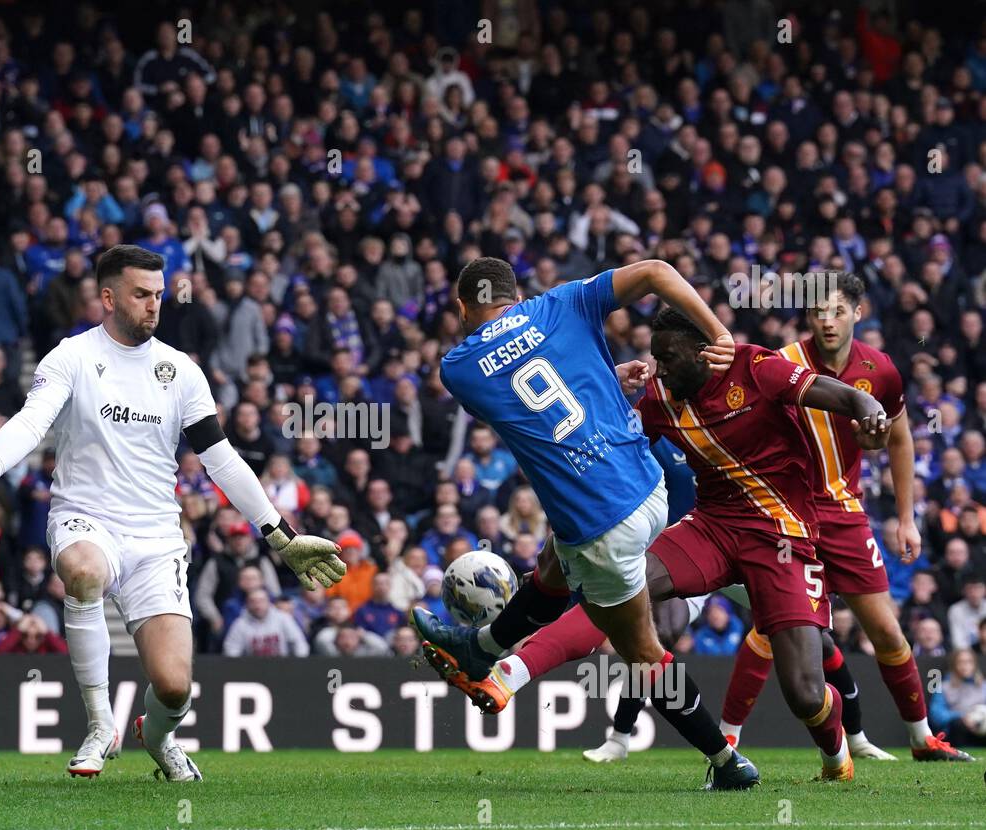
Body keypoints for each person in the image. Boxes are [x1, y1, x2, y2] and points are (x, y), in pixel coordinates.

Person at [0, 245, 345, 781]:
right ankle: (99, 725)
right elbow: (30, 423)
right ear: (108, 298)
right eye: (141, 295)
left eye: (159, 294)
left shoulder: (180, 371)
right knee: (83, 572)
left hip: (157, 535)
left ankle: (156, 737)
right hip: (85, 517)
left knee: (175, 686)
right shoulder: (69, 357)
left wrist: (279, 533)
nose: (154, 305)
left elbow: (222, 460)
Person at [432, 307, 897, 781]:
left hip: (782, 537)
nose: (659, 368)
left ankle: (837, 753)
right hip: (711, 528)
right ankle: (506, 668)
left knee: (803, 693)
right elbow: (610, 444)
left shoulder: (755, 366)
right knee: (614, 586)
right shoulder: (659, 397)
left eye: (668, 357)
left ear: (703, 353)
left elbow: (842, 396)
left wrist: (873, 416)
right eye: (655, 357)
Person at [413, 255, 765, 789]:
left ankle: (726, 762)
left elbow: (532, 400)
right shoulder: (563, 302)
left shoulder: (459, 368)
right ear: (517, 291)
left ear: (464, 306)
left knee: (641, 652)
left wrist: (594, 379)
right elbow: (657, 271)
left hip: (603, 525)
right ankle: (480, 650)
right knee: (557, 558)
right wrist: (721, 334)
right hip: (650, 488)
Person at [709, 272, 971, 761]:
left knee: (887, 630)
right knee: (770, 627)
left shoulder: (882, 370)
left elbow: (899, 438)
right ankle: (726, 739)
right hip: (785, 517)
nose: (827, 322)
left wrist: (907, 517)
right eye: (817, 313)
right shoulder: (781, 364)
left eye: (837, 311)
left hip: (845, 514)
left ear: (858, 312)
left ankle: (922, 738)